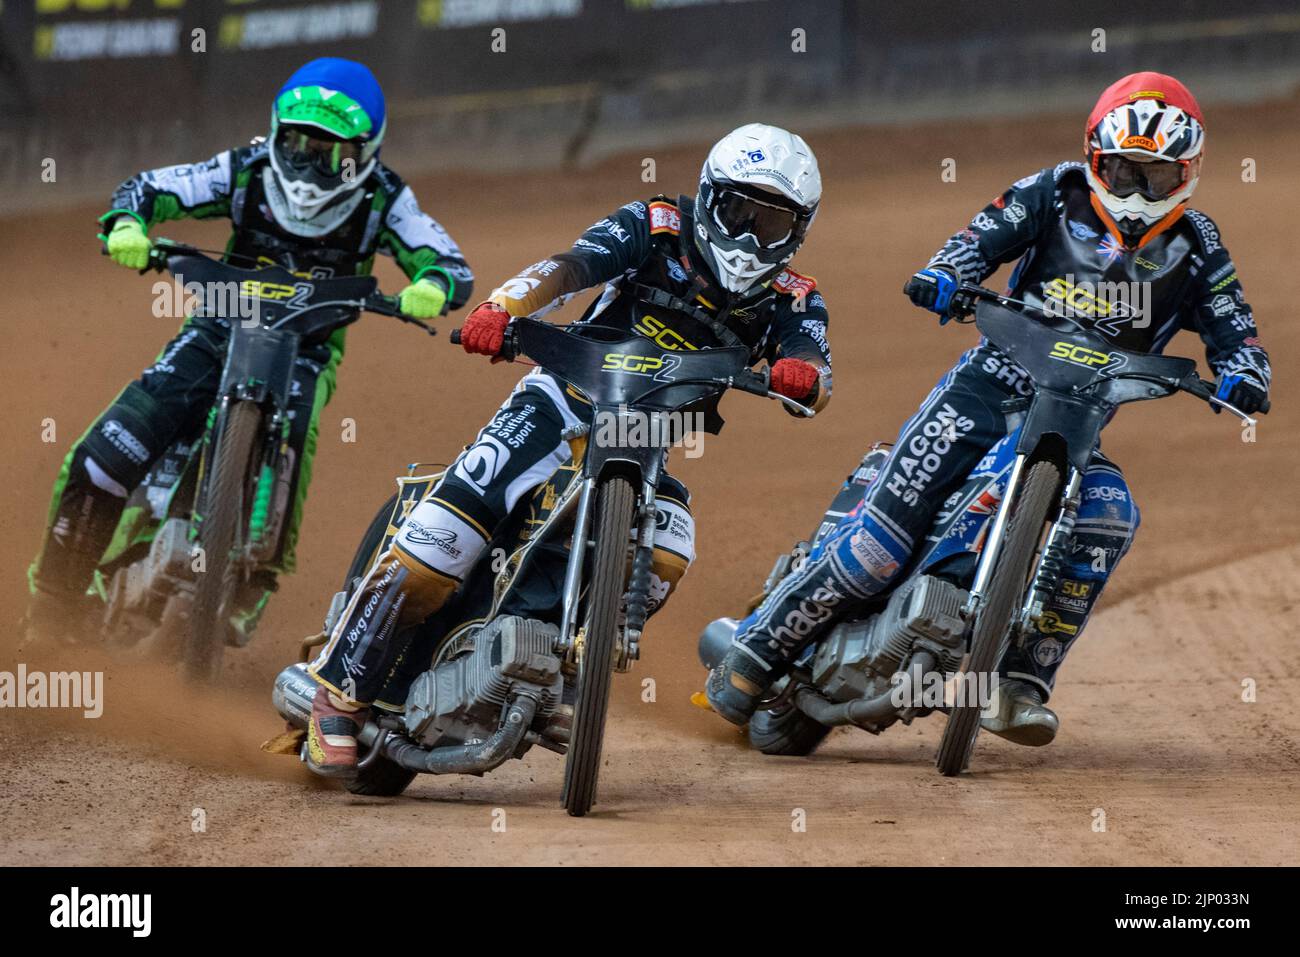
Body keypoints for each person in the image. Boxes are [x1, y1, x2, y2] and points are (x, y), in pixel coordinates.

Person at [706, 72, 1271, 745]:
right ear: (1095, 157)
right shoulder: (1054, 191)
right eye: (1120, 171)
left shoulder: (1201, 246)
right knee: (874, 550)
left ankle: (1018, 683)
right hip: (985, 387)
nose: (1133, 193)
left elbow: (1237, 329)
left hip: (1076, 420)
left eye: (1153, 177)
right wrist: (948, 274)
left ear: (1186, 173)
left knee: (1111, 513)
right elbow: (978, 237)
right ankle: (756, 650)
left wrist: (1244, 372)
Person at [304, 123, 833, 776]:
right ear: (708, 196)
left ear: (798, 230)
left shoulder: (794, 296)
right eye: (740, 212)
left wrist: (803, 374)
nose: (752, 236)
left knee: (671, 546)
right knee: (439, 543)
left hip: (645, 443)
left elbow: (811, 356)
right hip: (560, 398)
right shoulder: (659, 224)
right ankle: (338, 693)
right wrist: (502, 306)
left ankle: (566, 665)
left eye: (773, 223)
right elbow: (572, 265)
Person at [25, 57, 474, 646]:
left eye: (329, 151)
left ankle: (254, 579)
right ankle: (54, 608)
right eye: (297, 144)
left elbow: (449, 262)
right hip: (214, 332)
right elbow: (153, 187)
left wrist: (430, 287)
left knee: (297, 435)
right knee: (102, 459)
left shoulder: (386, 200)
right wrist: (128, 225)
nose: (309, 165)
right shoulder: (246, 170)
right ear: (276, 133)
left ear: (365, 153)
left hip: (306, 348)